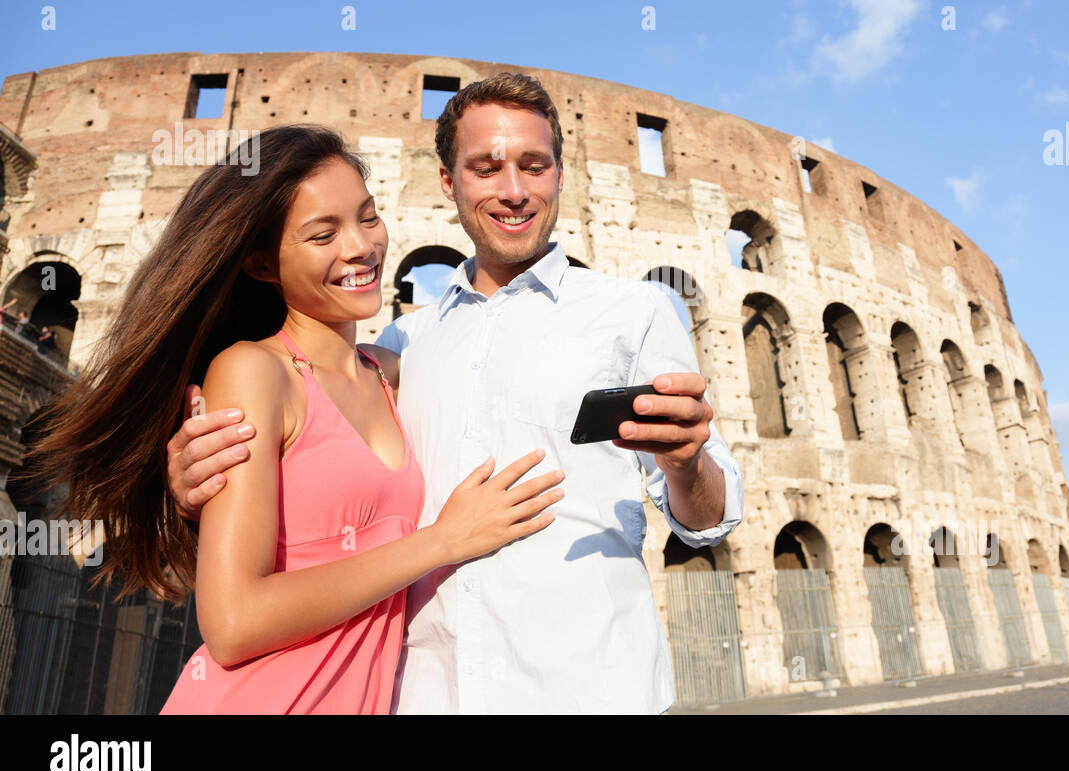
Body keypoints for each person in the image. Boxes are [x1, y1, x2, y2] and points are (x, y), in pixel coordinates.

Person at [168, 73, 745, 713]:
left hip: (591, 692)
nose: (515, 190)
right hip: (425, 697)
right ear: (449, 182)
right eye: (486, 167)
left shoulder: (632, 312)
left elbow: (706, 521)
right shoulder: (401, 348)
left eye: (535, 165)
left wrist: (688, 464)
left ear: (560, 173)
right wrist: (200, 477)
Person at [21, 124, 563, 714]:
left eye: (368, 216)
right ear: (262, 264)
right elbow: (232, 623)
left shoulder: (393, 374)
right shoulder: (255, 371)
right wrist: (443, 541)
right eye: (323, 234)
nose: (360, 247)